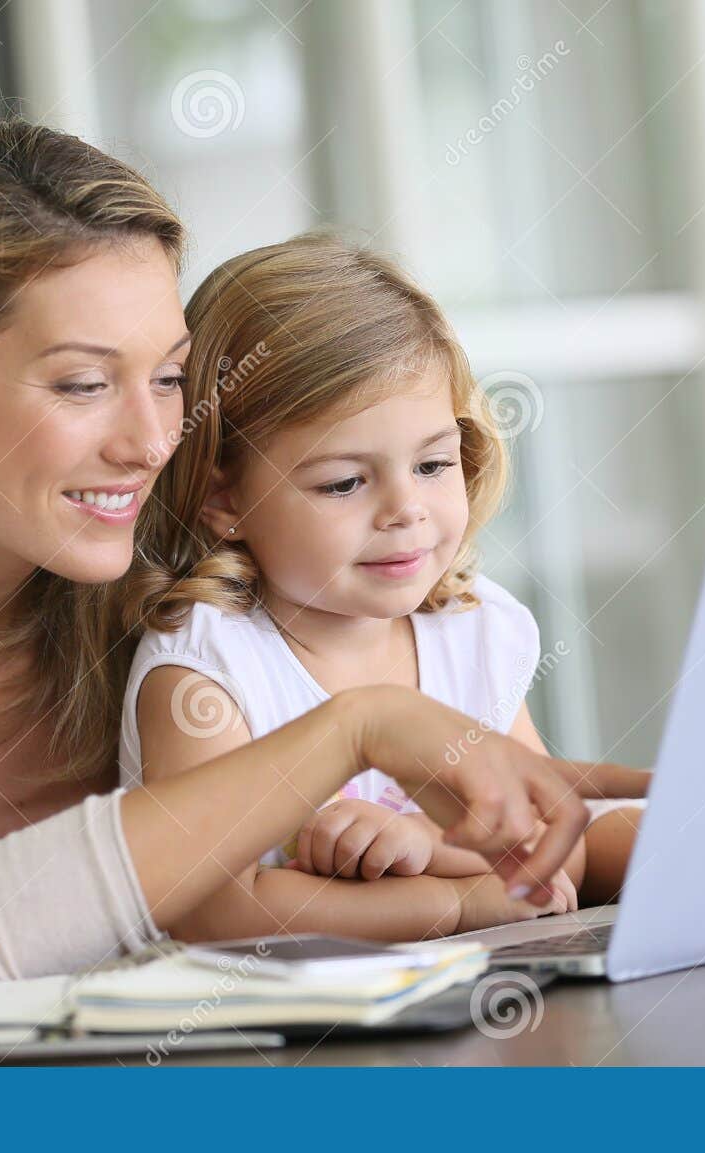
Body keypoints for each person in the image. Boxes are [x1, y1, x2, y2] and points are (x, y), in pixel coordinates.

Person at [0, 118, 642, 1007]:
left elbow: (483, 829)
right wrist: (353, 731)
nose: (154, 439)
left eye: (167, 378)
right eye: (81, 385)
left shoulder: (188, 606)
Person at [114, 233, 648, 943]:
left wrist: (425, 845)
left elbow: (554, 842)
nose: (405, 509)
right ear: (224, 499)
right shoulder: (205, 669)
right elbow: (206, 909)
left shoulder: (473, 628)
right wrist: (451, 906)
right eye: (344, 482)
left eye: (432, 464)